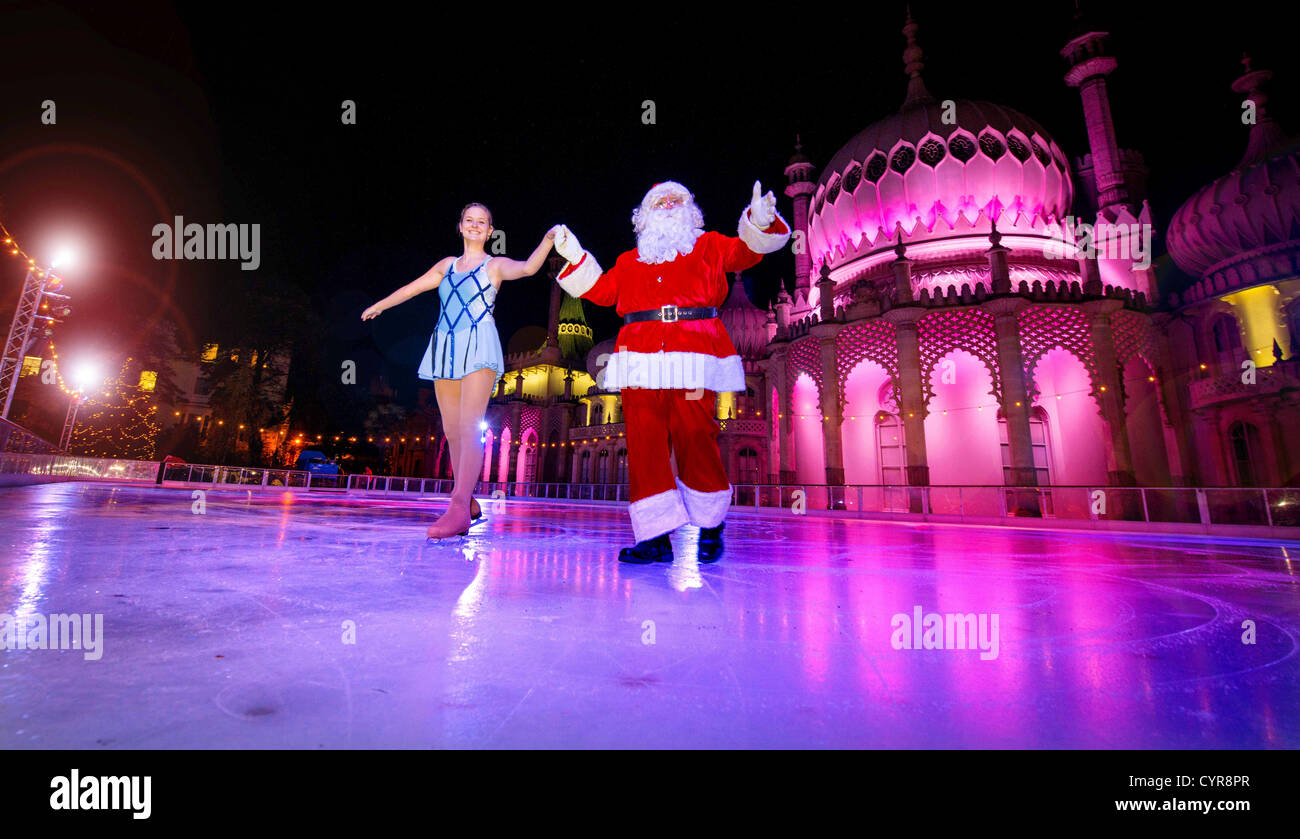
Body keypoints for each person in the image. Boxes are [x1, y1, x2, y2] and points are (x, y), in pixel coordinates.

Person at [552, 181, 789, 563]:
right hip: (639, 358)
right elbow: (602, 290)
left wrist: (759, 222)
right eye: (657, 202)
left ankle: (711, 523)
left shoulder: (710, 246)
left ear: (689, 209)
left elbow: (746, 252)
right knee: (644, 443)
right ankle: (655, 535)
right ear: (644, 216)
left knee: (695, 433)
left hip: (693, 354)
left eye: (674, 200)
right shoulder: (630, 261)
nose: (666, 205)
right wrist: (575, 255)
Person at [363, 204, 558, 538]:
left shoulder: (494, 265)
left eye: (482, 222)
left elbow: (527, 269)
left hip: (479, 343)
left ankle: (457, 509)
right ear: (460, 226)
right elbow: (413, 288)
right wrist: (380, 305)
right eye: (470, 220)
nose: (475, 225)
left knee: (469, 428)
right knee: (452, 431)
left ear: (490, 231)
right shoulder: (446, 266)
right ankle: (467, 500)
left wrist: (548, 240)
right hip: (445, 346)